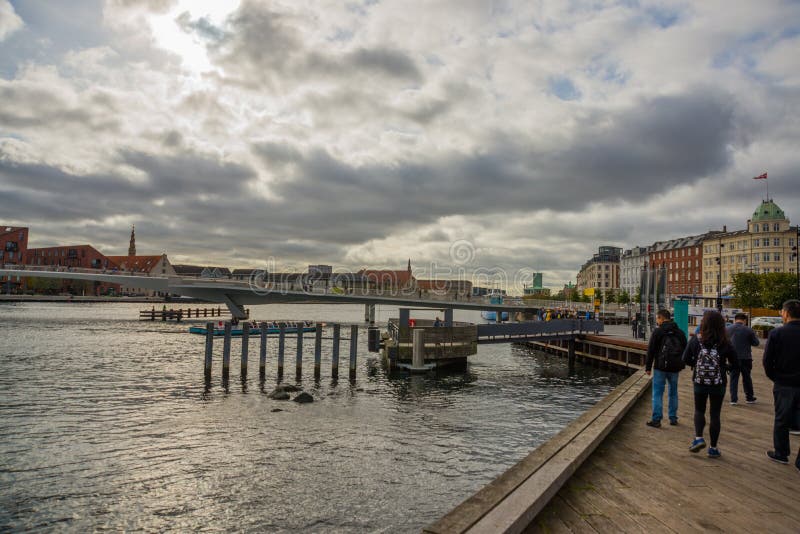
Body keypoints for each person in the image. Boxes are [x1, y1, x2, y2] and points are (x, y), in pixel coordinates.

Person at [682, 310, 739, 458]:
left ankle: (698, 438)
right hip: (718, 383)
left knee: (699, 410)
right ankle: (713, 448)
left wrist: (696, 365)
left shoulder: (696, 339)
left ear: (703, 323)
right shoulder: (725, 341)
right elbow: (736, 364)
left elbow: (685, 358)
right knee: (715, 414)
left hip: (700, 381)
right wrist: (724, 367)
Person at [763, 299, 800, 470]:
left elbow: (767, 361)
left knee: (782, 419)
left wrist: (776, 377)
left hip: (784, 383)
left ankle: (782, 453)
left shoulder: (777, 334)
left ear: (785, 313)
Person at [645, 309, 688, 427]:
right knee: (673, 392)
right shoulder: (679, 332)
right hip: (674, 368)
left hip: (660, 367)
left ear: (661, 318)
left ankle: (656, 419)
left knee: (657, 393)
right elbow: (685, 349)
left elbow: (651, 350)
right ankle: (673, 418)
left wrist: (648, 367)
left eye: (657, 318)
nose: (657, 321)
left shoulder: (658, 332)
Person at [726, 312, 759, 405]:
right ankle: (749, 398)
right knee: (747, 378)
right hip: (746, 358)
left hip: (732, 358)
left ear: (735, 319)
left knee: (733, 379)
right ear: (745, 320)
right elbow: (756, 343)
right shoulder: (749, 330)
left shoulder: (727, 329)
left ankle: (733, 399)